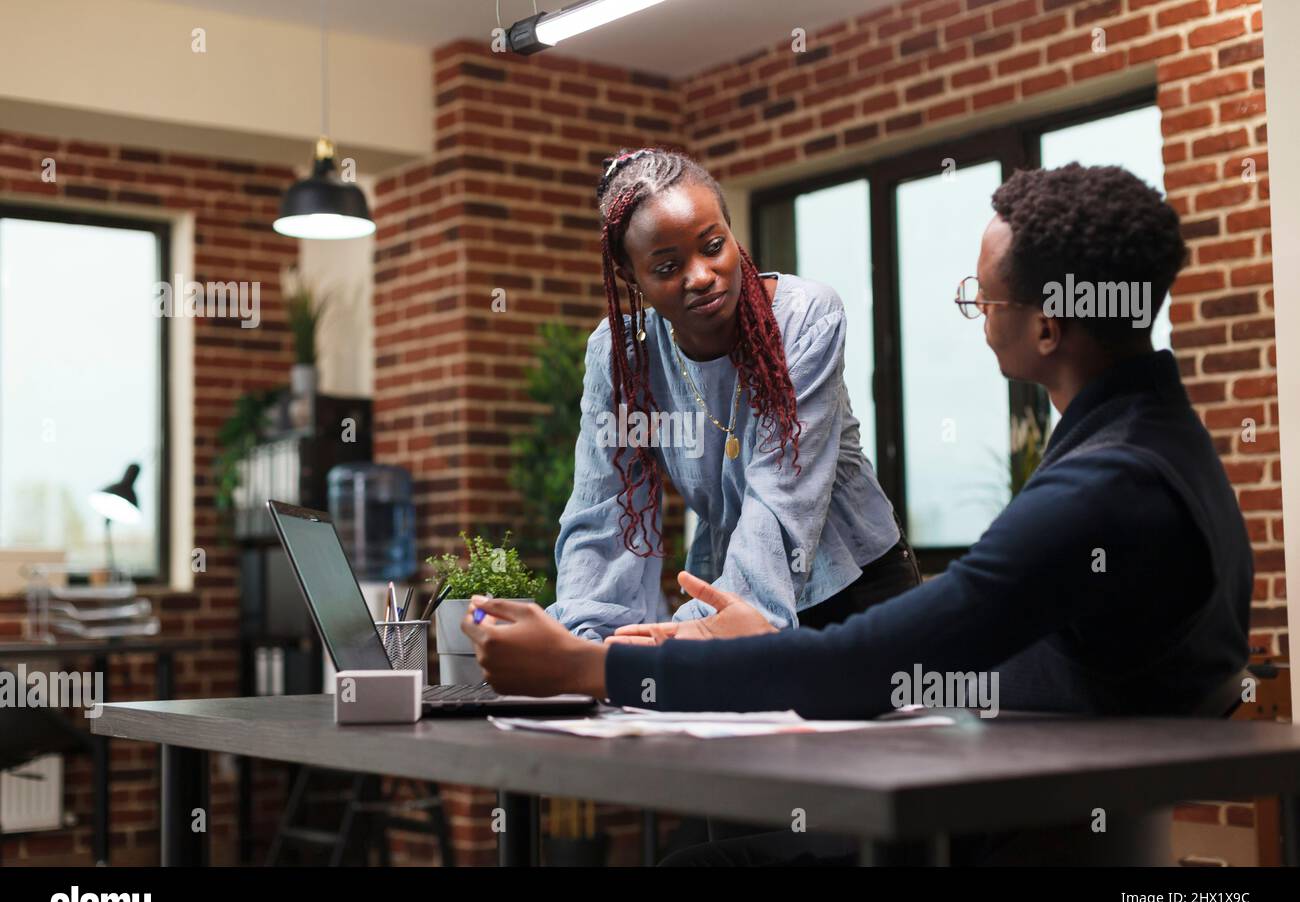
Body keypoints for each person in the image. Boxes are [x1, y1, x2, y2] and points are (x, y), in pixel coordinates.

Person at [464, 163, 1254, 863]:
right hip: (1008, 778)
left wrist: (589, 668)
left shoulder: (1103, 489)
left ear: (1048, 326)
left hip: (1001, 819)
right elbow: (920, 664)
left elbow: (862, 662)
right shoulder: (1157, 448)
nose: (976, 311)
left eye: (983, 294)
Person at [548, 146, 918, 644]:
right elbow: (605, 513)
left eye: (713, 245)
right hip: (733, 591)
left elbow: (779, 501)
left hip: (856, 590)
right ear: (629, 276)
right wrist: (586, 640)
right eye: (666, 266)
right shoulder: (624, 356)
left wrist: (670, 638)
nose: (700, 276)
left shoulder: (804, 319)